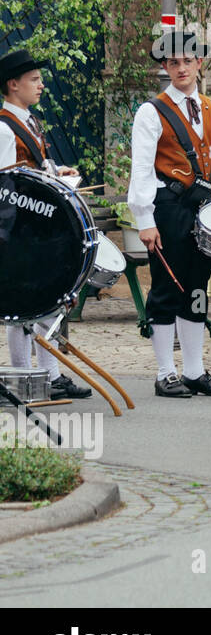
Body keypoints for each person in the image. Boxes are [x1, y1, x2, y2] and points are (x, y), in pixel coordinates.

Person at [128, 30, 211, 399]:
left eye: (187, 61)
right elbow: (141, 170)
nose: (180, 68)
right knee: (166, 287)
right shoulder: (151, 111)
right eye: (173, 62)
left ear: (199, 63)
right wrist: (144, 220)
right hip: (169, 207)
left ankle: (193, 370)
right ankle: (165, 372)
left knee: (196, 288)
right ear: (165, 67)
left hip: (204, 208)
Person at [0, 47, 90, 400]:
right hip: (18, 231)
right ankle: (24, 379)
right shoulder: (5, 129)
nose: (41, 86)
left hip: (34, 229)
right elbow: (7, 182)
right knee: (22, 305)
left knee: (44, 302)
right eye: (34, 80)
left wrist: (54, 172)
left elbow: (31, 167)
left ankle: (48, 377)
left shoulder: (27, 120)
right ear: (13, 84)